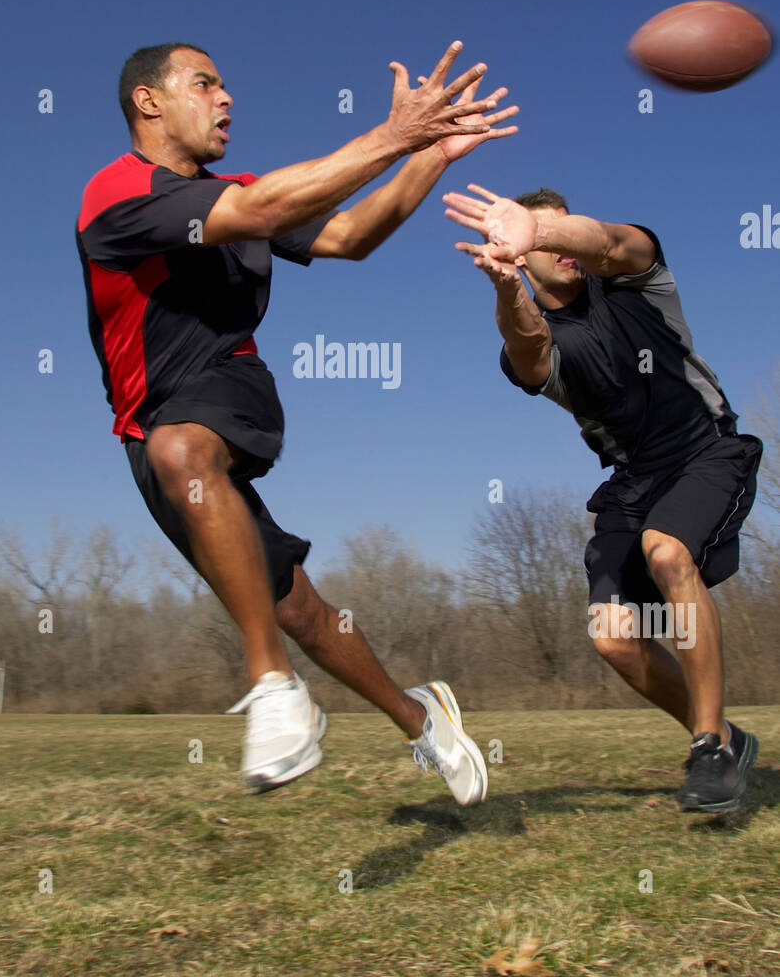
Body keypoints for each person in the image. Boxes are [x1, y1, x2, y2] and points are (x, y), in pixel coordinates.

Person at [76, 40, 518, 801]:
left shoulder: (243, 193)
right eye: (205, 83)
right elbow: (264, 207)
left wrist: (430, 155)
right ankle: (424, 721)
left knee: (183, 448)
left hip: (224, 393)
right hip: (146, 436)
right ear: (148, 101)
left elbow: (350, 237)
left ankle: (273, 686)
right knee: (299, 609)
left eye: (226, 85)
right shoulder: (117, 194)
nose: (227, 99)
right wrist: (399, 135)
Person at [443, 182, 762, 815]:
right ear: (514, 254)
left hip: (707, 452)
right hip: (633, 483)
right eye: (539, 235)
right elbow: (529, 347)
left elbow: (610, 240)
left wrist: (542, 228)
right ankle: (725, 736)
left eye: (562, 229)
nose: (559, 242)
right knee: (613, 636)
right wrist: (507, 287)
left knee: (668, 553)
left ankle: (709, 749)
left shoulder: (636, 278)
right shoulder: (541, 338)